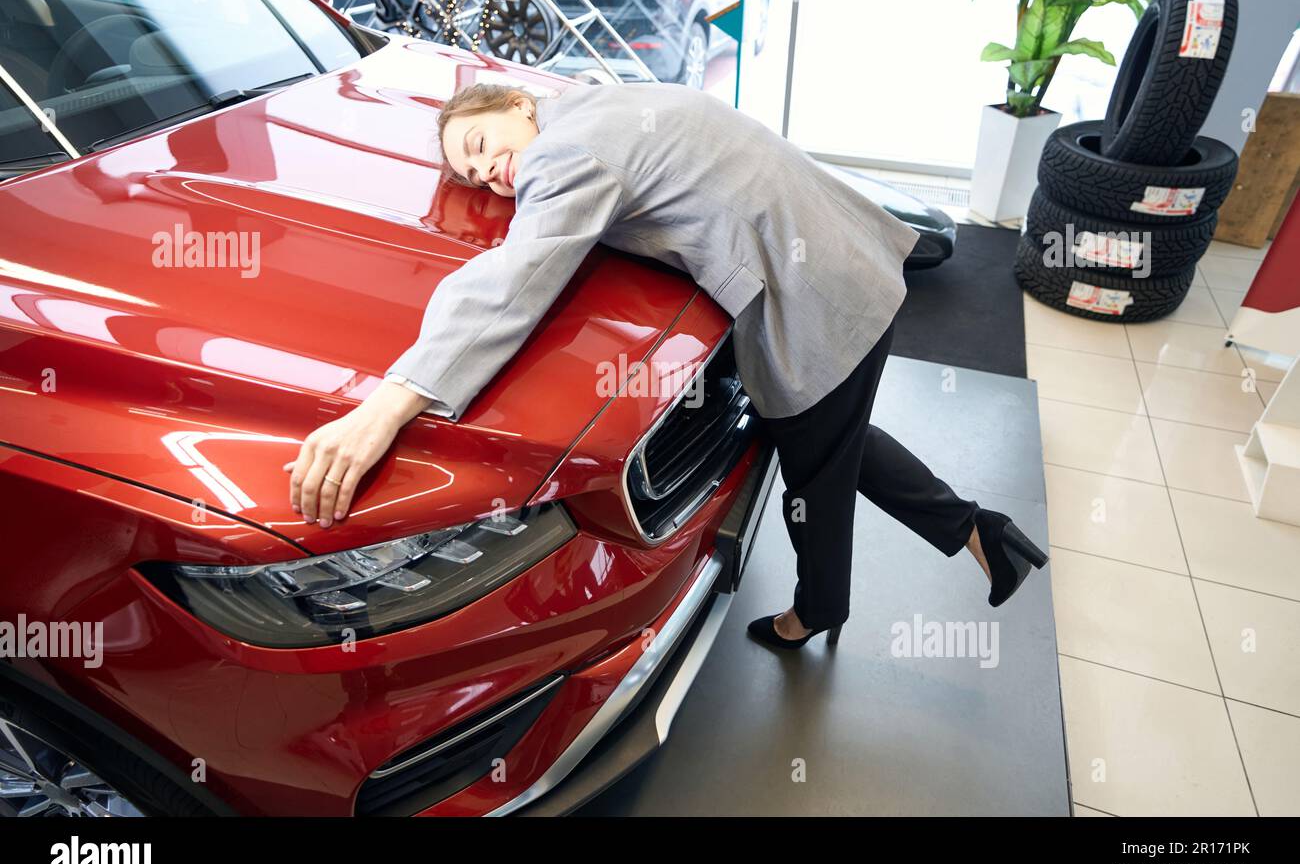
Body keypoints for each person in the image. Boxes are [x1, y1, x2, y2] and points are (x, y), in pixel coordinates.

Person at [284, 80, 1048, 652]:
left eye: (482, 147)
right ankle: (984, 535)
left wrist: (384, 406)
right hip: (839, 252)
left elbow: (511, 282)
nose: (491, 176)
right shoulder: (607, 101)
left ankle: (821, 608)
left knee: (815, 465)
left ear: (518, 106)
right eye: (476, 178)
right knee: (832, 439)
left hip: (817, 291)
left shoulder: (563, 149)